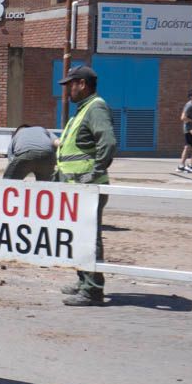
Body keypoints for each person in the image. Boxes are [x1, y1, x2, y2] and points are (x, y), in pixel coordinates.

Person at [53, 65, 117, 307]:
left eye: (70, 84)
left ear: (82, 84)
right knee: (79, 237)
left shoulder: (95, 108)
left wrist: (95, 172)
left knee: (89, 239)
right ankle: (84, 281)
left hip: (88, 188)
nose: (67, 90)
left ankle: (93, 290)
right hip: (76, 188)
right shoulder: (83, 109)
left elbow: (107, 142)